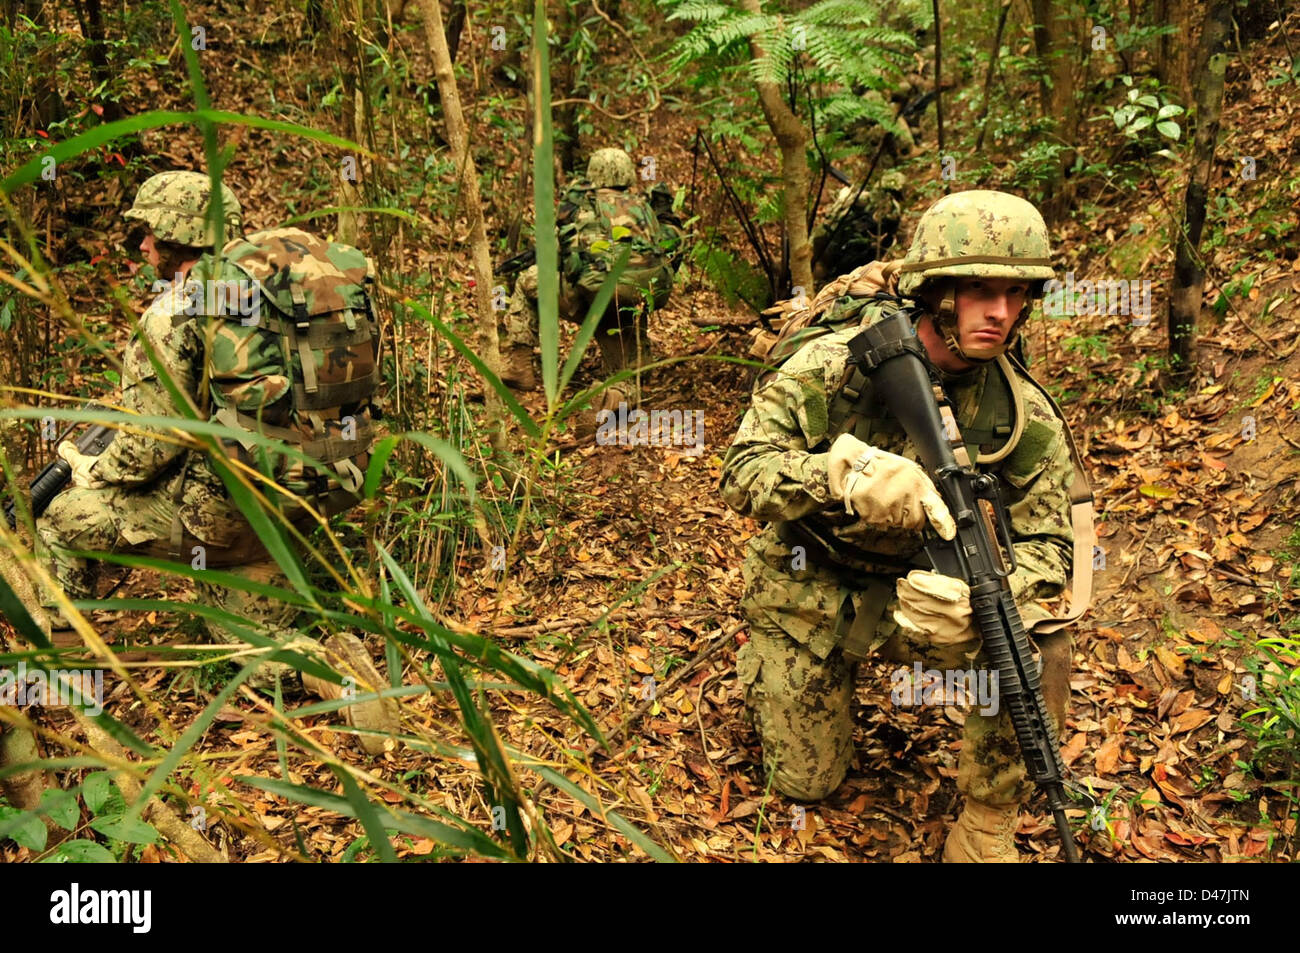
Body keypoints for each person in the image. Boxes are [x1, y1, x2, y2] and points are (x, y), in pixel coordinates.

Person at [720, 190, 1087, 862]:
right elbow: (741, 472)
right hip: (811, 588)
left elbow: (1052, 549)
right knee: (807, 783)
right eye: (979, 289)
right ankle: (775, 673)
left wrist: (986, 603)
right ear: (937, 292)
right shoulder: (836, 366)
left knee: (1039, 640)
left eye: (1016, 294)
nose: (1000, 312)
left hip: (926, 602)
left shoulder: (1022, 416)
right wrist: (838, 477)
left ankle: (984, 826)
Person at [35, 171, 398, 754]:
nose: (143, 248)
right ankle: (327, 668)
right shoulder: (280, 288)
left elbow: (154, 444)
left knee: (59, 518)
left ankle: (66, 675)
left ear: (177, 235)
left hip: (231, 513)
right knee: (243, 643)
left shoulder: (174, 313)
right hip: (314, 493)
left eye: (148, 235)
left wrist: (87, 469)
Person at [501, 147, 685, 402]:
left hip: (596, 298)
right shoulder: (644, 208)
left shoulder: (583, 208)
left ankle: (519, 364)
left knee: (528, 280)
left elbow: (557, 256)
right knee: (629, 365)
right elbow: (670, 245)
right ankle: (628, 375)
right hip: (638, 301)